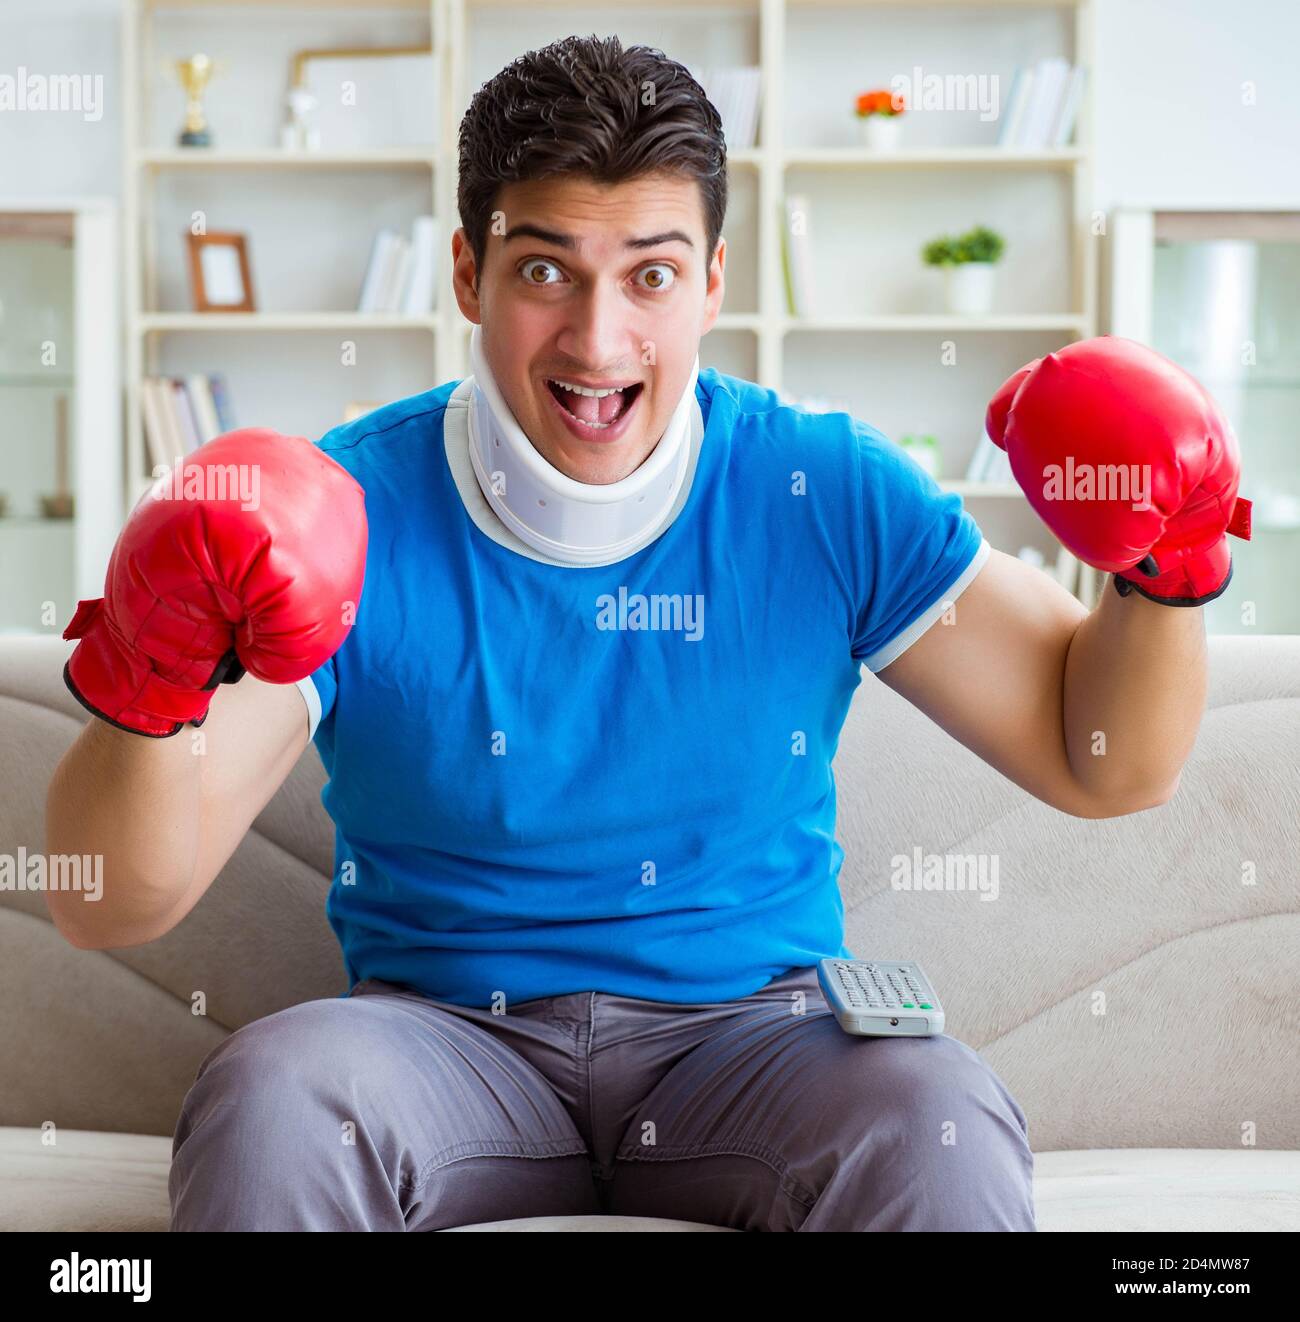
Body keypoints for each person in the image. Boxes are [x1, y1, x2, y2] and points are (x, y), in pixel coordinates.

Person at [45, 34, 1246, 1233]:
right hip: (443, 1041)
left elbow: (1105, 760)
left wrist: (1167, 569)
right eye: (546, 271)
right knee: (272, 1099)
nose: (598, 339)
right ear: (468, 274)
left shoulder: (819, 486)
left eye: (651, 275)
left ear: (715, 281)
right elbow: (112, 902)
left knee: (935, 1112)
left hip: (758, 1039)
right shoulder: (345, 510)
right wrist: (150, 669)